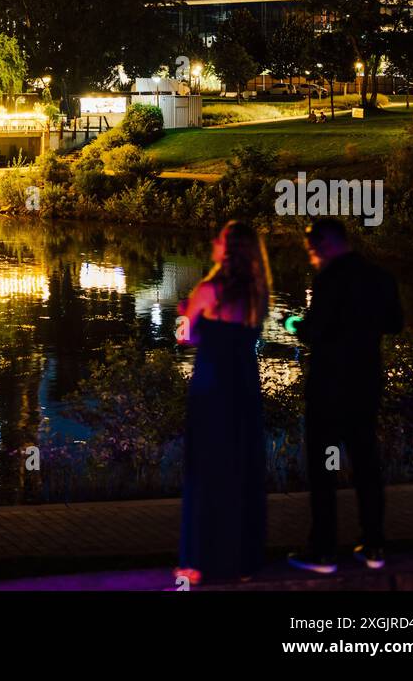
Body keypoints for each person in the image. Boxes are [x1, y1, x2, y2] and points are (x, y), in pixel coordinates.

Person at [288, 217, 403, 575]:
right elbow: (395, 323)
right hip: (365, 385)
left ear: (328, 243)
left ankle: (323, 550)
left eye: (313, 244)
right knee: (366, 465)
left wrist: (295, 325)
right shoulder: (380, 277)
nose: (311, 251)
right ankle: (374, 545)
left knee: (324, 469)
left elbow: (313, 331)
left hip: (329, 389)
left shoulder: (330, 279)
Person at [175, 221, 271, 585]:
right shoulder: (258, 292)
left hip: (212, 386)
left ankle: (197, 560)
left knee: (204, 469)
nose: (213, 242)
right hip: (244, 386)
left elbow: (186, 337)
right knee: (241, 468)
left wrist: (183, 313)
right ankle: (244, 560)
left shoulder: (209, 289)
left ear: (226, 249)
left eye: (218, 239)